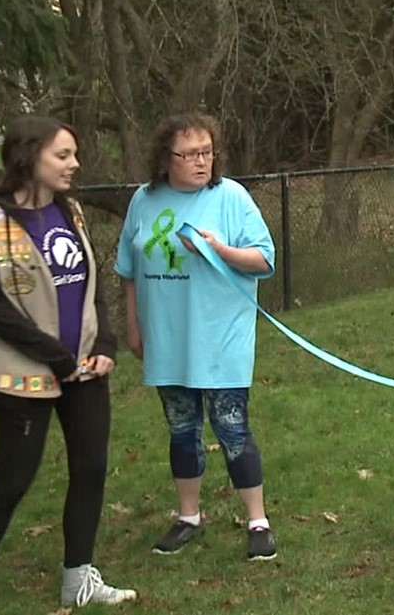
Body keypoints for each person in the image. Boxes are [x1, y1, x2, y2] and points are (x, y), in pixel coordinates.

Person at [0, 116, 137, 614]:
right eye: (63, 155)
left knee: (91, 469)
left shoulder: (71, 211)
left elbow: (90, 286)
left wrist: (107, 345)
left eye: (74, 155)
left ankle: (79, 578)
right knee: (13, 479)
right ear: (30, 157)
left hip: (85, 372)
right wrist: (56, 357)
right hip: (25, 375)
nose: (75, 164)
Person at [115, 112, 278, 562]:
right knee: (181, 429)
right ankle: (188, 517)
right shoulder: (143, 201)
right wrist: (133, 325)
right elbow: (128, 271)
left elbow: (265, 260)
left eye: (207, 152)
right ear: (164, 158)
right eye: (189, 154)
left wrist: (218, 249)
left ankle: (257, 522)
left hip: (221, 336)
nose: (201, 162)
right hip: (167, 339)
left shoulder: (231, 198)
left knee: (231, 427)